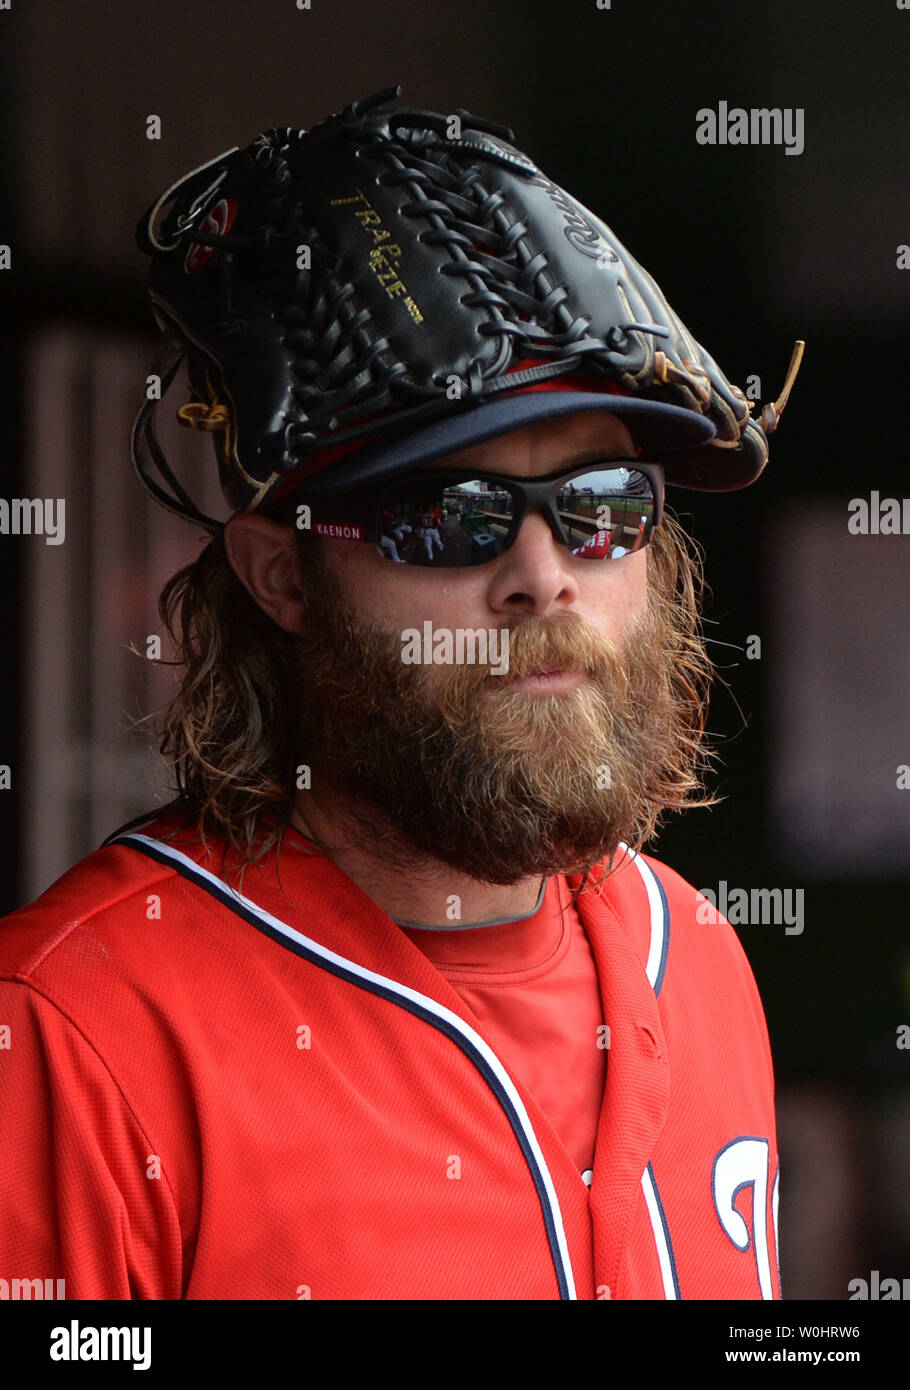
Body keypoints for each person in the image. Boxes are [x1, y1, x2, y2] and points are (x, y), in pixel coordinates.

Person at [0, 88, 803, 1300]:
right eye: (449, 519)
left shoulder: (691, 952)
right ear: (283, 574)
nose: (543, 579)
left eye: (602, 509)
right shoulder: (75, 1031)